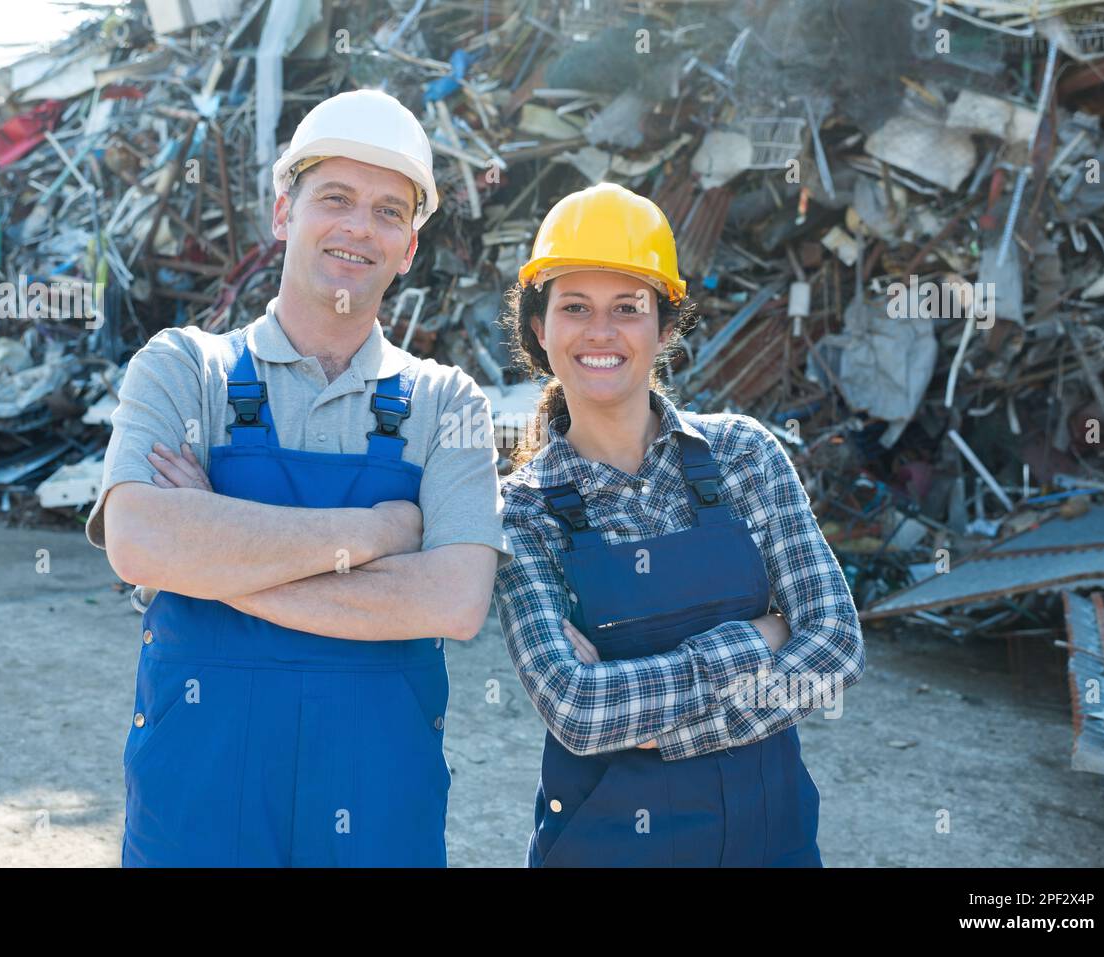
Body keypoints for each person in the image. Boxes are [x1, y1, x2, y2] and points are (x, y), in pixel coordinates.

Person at [88, 89, 511, 867]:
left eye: (389, 211)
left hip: (380, 820)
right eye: (336, 198)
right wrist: (379, 532)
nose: (359, 227)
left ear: (410, 246)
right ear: (284, 212)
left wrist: (214, 551)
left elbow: (453, 601)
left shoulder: (446, 402)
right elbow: (141, 543)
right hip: (197, 815)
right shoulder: (186, 369)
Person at [494, 182, 865, 867]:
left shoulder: (745, 455)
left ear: (665, 329)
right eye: (575, 307)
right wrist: (758, 638)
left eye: (627, 308)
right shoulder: (523, 511)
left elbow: (837, 649)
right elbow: (579, 711)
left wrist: (660, 727)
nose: (600, 331)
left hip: (772, 843)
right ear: (540, 330)